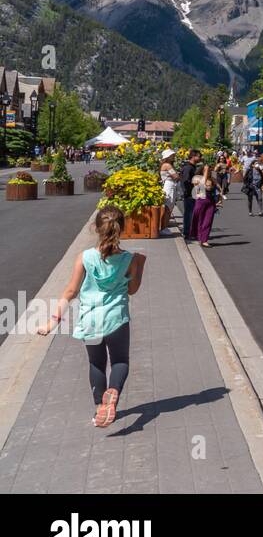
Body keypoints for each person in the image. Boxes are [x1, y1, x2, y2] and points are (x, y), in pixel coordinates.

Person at [37, 206, 146, 427]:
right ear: (122, 228)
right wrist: (140, 266)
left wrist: (53, 321)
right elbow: (132, 290)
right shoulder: (129, 259)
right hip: (117, 319)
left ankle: (100, 408)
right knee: (120, 361)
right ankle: (113, 391)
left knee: (96, 363)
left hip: (90, 320)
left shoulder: (85, 257)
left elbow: (71, 291)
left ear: (96, 228)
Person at [189, 158, 217, 247]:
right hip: (200, 200)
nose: (209, 171)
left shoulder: (212, 177)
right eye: (207, 169)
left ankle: (204, 240)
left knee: (208, 221)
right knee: (199, 220)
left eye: (210, 169)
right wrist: (205, 173)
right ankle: (198, 237)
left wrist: (219, 200)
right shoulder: (196, 177)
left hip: (210, 201)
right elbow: (201, 186)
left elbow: (216, 187)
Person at [178, 149, 199, 241]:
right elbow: (186, 181)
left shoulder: (191, 167)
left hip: (191, 193)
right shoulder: (188, 167)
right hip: (189, 194)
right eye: (199, 156)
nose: (200, 158)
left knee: (191, 213)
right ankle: (187, 233)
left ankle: (190, 232)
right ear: (193, 157)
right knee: (189, 214)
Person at [159, 151, 180, 228]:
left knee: (168, 207)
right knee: (168, 207)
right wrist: (178, 174)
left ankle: (164, 226)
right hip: (169, 185)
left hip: (169, 185)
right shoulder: (167, 165)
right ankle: (164, 227)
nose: (174, 156)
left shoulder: (165, 164)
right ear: (168, 156)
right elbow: (176, 176)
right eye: (172, 155)